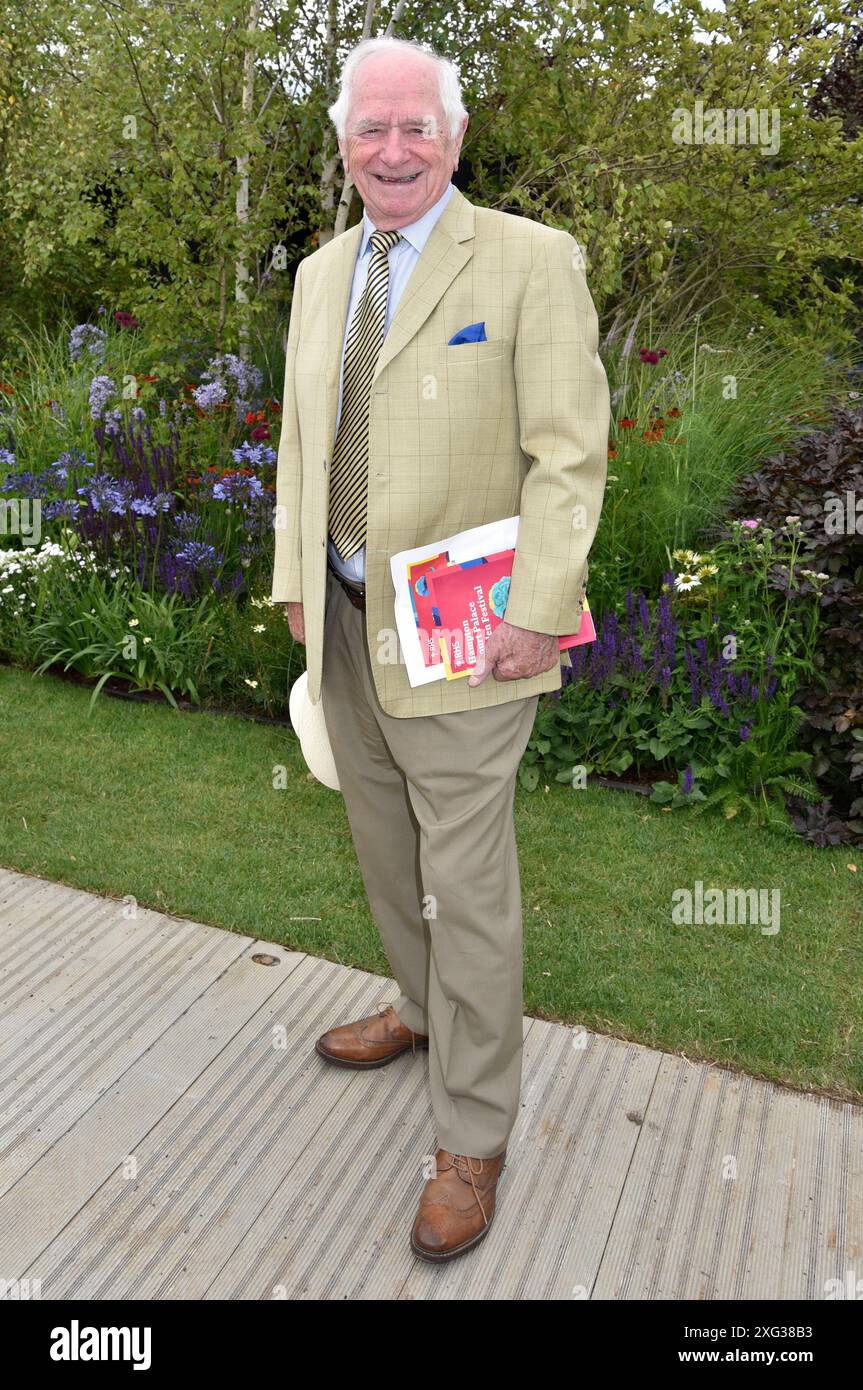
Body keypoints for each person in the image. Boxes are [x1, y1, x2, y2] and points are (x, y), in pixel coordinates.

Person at [270, 33, 609, 1263]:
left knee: (464, 884)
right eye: (374, 127)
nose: (395, 148)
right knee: (379, 844)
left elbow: (568, 453)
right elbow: (304, 447)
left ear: (454, 139)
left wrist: (536, 604)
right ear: (344, 142)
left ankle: (471, 1132)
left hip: (470, 633)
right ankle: (420, 1011)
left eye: (418, 127)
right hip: (349, 619)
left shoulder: (528, 262)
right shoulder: (318, 273)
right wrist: (297, 588)